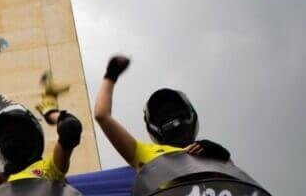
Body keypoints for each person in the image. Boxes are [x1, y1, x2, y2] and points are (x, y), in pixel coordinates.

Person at [93, 55, 230, 171]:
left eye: (176, 110)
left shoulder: (211, 153)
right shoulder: (145, 153)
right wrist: (111, 74)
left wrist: (225, 158)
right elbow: (102, 115)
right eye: (160, 115)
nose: (170, 116)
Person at [0, 103, 82, 193]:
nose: (11, 137)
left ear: (33, 134)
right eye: (5, 133)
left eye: (17, 130)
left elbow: (70, 128)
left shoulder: (49, 168)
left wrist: (51, 114)